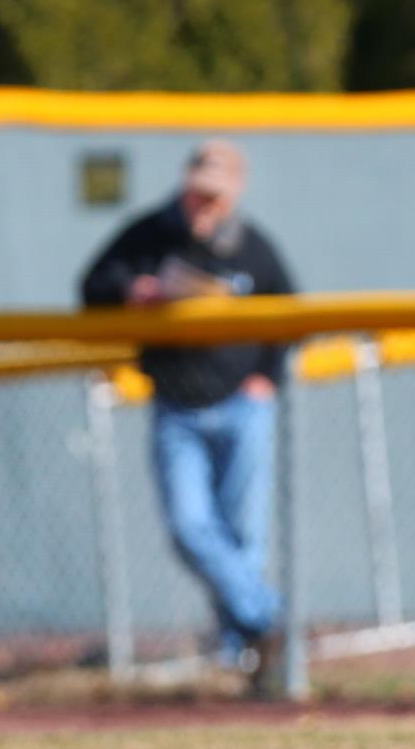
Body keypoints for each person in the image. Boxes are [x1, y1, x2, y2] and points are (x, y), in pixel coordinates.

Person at [79, 139, 295, 684]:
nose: (203, 204)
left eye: (214, 196)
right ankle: (269, 622)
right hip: (177, 404)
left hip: (241, 405)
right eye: (198, 192)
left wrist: (265, 377)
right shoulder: (149, 236)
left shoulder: (252, 247)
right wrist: (131, 290)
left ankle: (246, 657)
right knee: (190, 527)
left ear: (233, 195)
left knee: (242, 535)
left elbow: (291, 313)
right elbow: (92, 286)